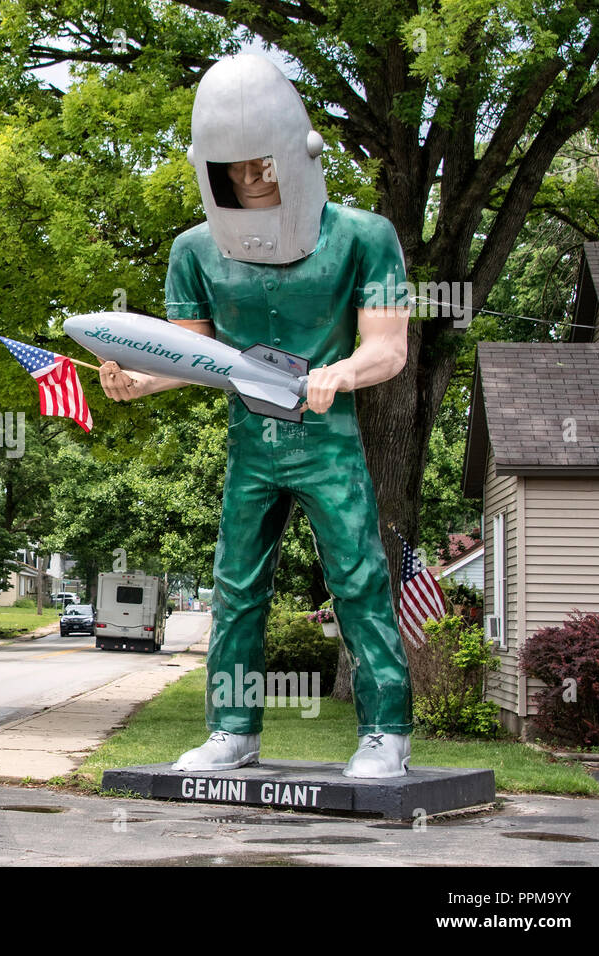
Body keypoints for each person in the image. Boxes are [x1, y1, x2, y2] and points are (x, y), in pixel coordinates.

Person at [98, 54, 414, 778]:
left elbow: (388, 347)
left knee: (359, 579)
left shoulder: (365, 237)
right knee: (236, 588)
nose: (251, 182)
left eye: (261, 166)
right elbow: (191, 355)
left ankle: (387, 731)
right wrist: (136, 382)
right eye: (233, 170)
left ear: (297, 156)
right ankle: (231, 731)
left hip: (327, 439)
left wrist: (341, 372)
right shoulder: (194, 252)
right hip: (251, 441)